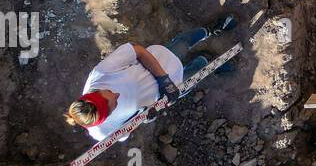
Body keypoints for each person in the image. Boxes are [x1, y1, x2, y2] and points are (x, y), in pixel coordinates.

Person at [66, 16, 235, 141]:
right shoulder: (103, 133)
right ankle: (207, 60)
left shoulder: (100, 75)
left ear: (96, 91)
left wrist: (163, 79)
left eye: (110, 92)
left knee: (183, 43)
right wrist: (147, 117)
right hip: (166, 95)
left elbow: (137, 50)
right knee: (195, 75)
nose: (117, 96)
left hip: (161, 60)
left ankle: (211, 30)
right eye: (114, 105)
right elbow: (130, 126)